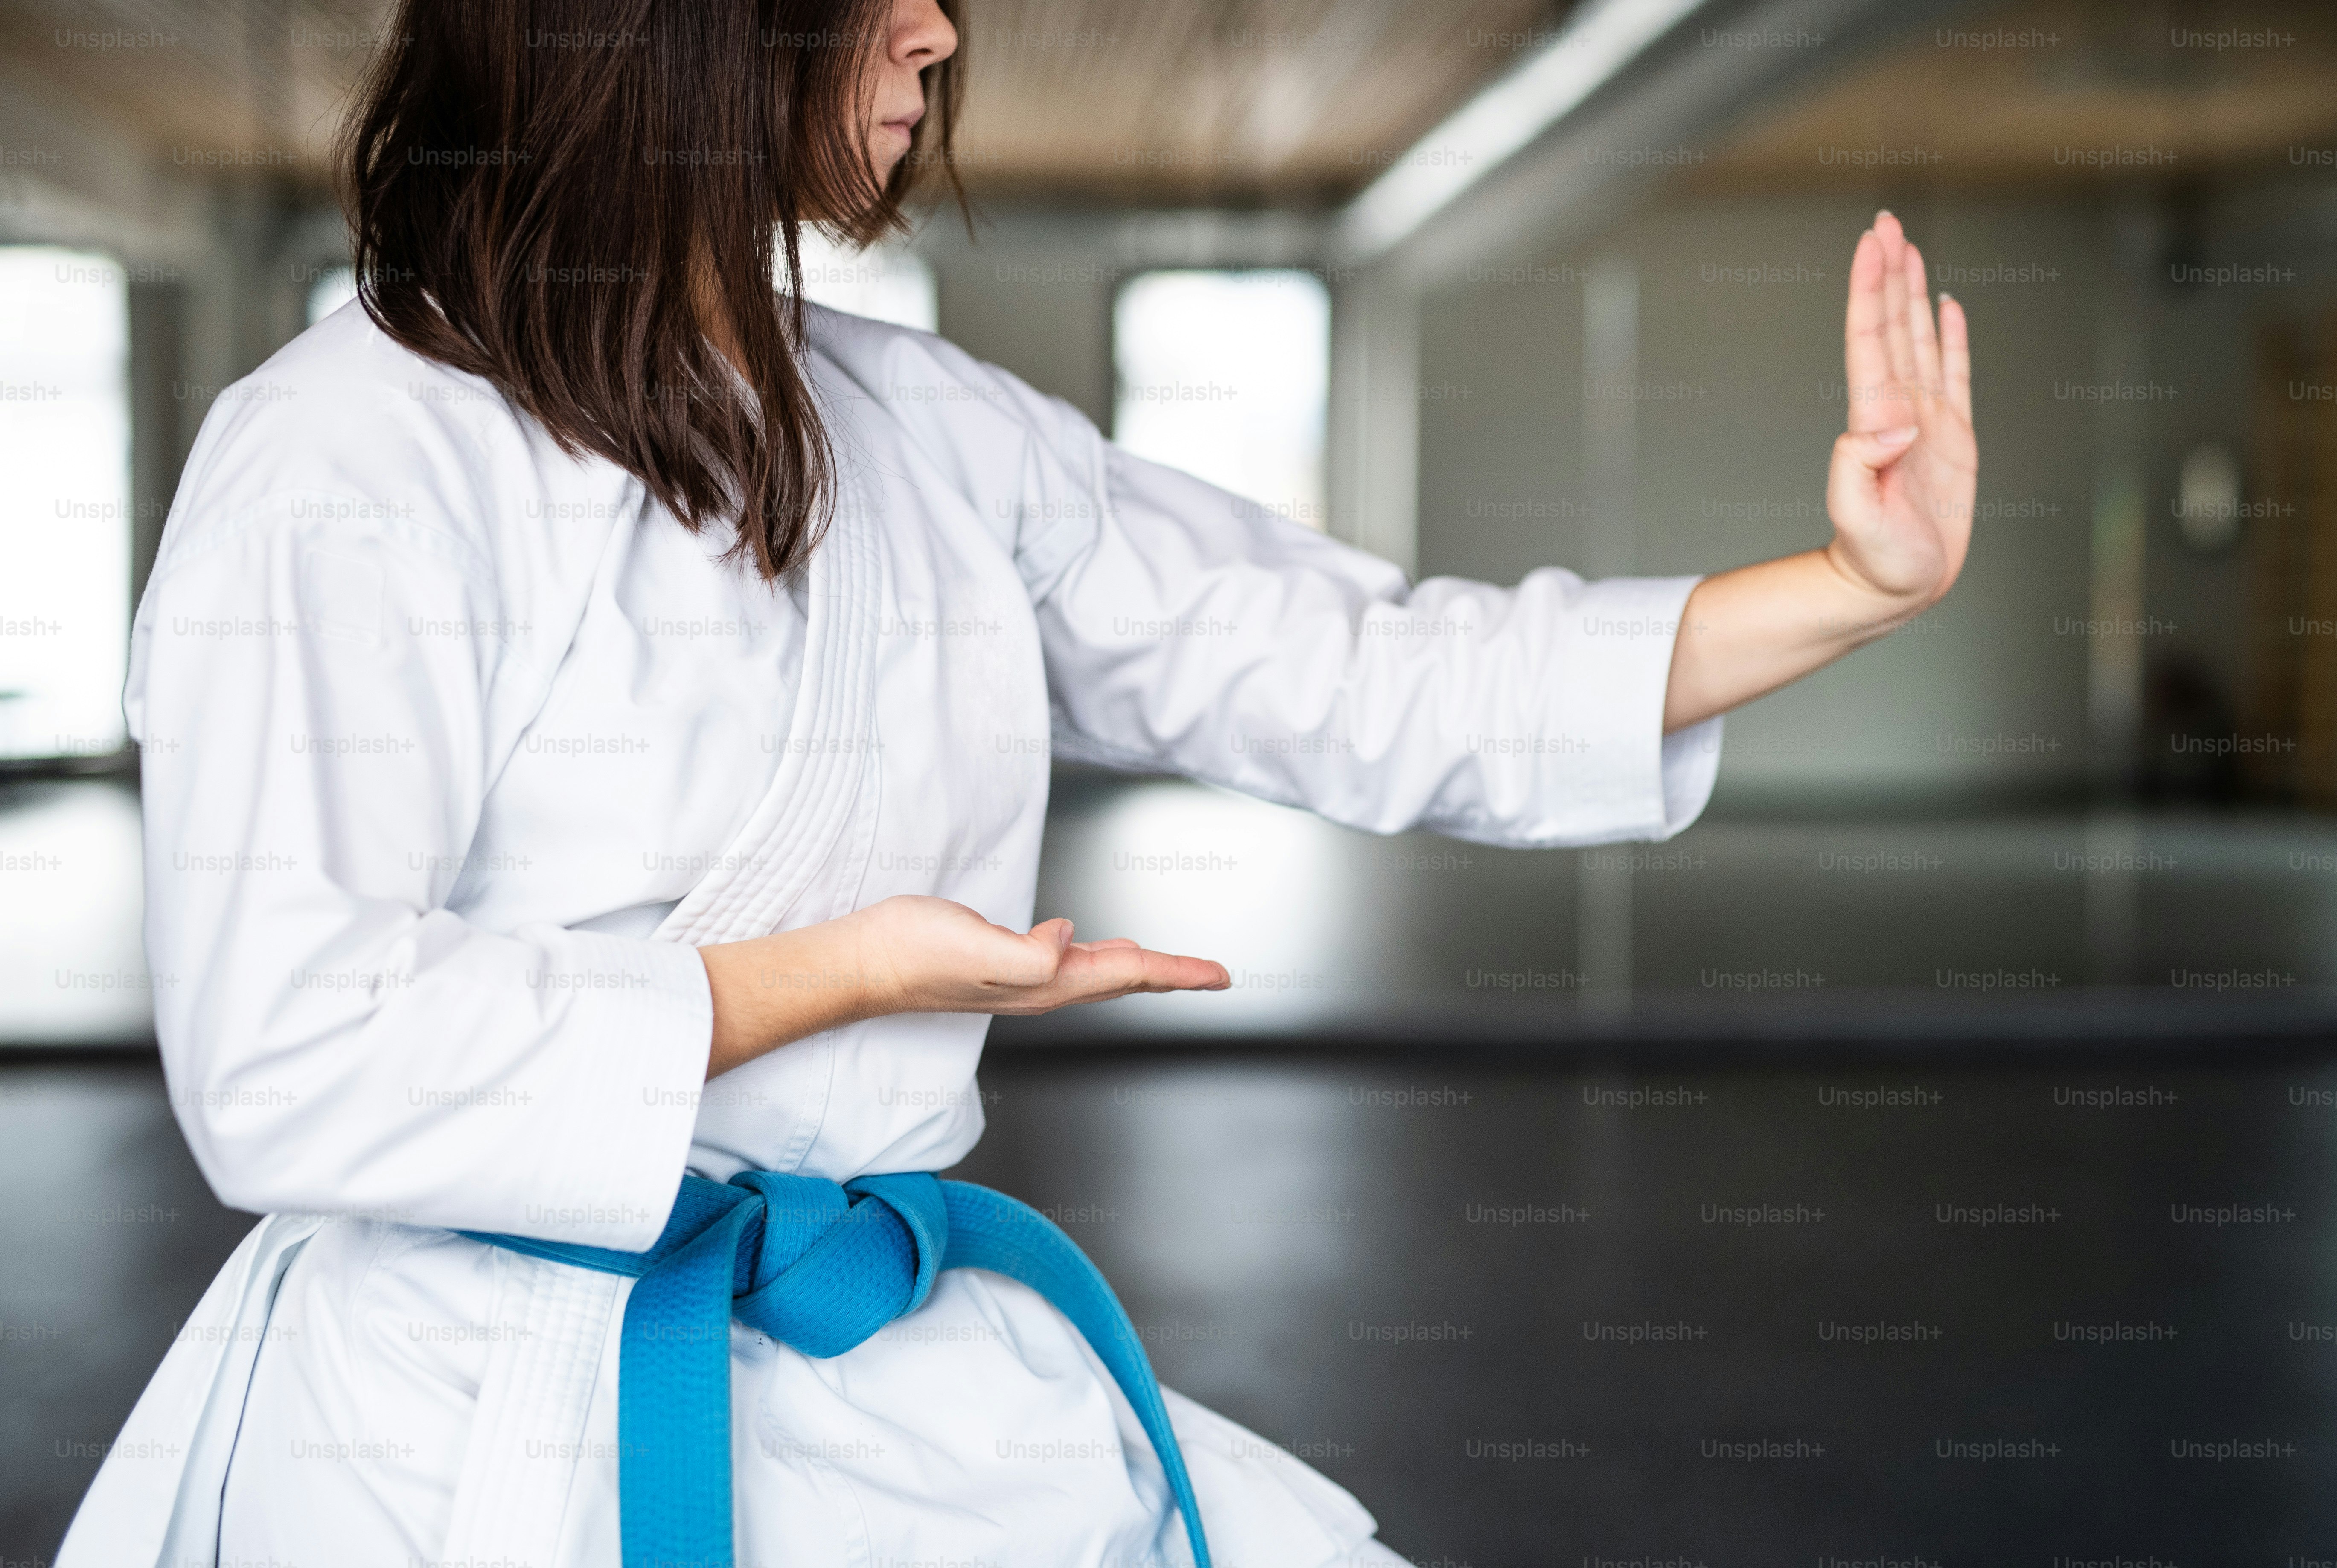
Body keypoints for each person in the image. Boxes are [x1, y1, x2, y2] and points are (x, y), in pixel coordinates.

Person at [57, 1, 1978, 1565]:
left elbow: (1356, 664)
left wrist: (1849, 585)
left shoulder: (922, 429)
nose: (935, 33)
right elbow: (289, 1045)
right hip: (458, 1432)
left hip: (886, 1373)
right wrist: (840, 972)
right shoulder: (345, 452)